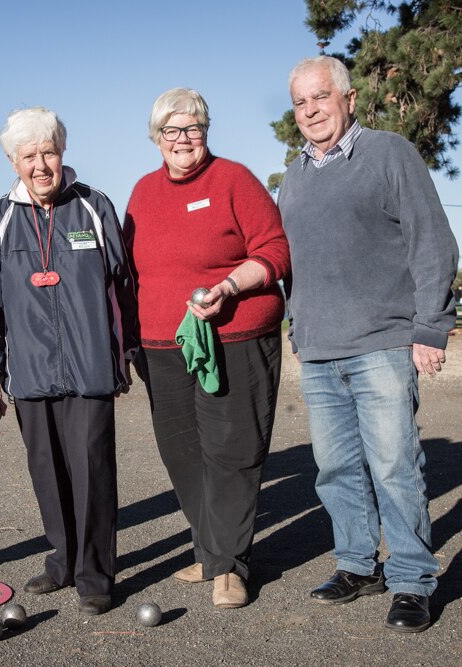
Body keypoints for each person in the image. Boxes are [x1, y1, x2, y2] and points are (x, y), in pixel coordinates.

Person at [277, 56, 459, 633]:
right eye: (300, 102)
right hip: (320, 350)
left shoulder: (389, 154)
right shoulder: (294, 177)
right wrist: (296, 329)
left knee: (395, 466)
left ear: (349, 98)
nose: (310, 110)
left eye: (320, 97)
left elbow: (433, 242)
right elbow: (292, 267)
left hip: (383, 342)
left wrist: (430, 328)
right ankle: (357, 565)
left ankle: (411, 580)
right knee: (335, 470)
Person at [0, 107, 138, 616]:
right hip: (31, 369)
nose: (41, 164)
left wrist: (124, 354)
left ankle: (95, 575)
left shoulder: (93, 207)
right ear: (13, 162)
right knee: (48, 471)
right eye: (28, 156)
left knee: (93, 471)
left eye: (49, 152)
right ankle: (62, 560)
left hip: (90, 367)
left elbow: (123, 285)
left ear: (63, 153)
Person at [123, 88, 290, 609]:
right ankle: (211, 549)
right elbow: (127, 271)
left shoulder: (233, 179)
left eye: (192, 127)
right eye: (171, 130)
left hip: (235, 336)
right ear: (156, 139)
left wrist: (231, 288)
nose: (182, 139)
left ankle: (230, 566)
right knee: (182, 451)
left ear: (206, 131)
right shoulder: (142, 192)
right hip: (162, 345)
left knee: (232, 451)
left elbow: (276, 251)